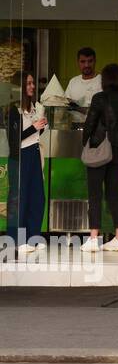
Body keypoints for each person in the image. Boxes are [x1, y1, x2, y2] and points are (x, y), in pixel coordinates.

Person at [82, 64, 118, 253]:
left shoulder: (99, 98)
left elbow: (89, 124)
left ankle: (93, 239)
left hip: (99, 150)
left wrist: (86, 142)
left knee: (95, 194)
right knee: (113, 193)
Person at [6, 71, 48, 255]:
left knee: (37, 196)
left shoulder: (35, 107)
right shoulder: (13, 110)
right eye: (29, 83)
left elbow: (36, 134)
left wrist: (42, 126)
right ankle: (17, 239)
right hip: (20, 157)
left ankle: (33, 237)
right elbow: (14, 140)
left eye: (32, 83)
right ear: (20, 87)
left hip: (34, 153)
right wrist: (34, 128)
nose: (32, 86)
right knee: (19, 199)